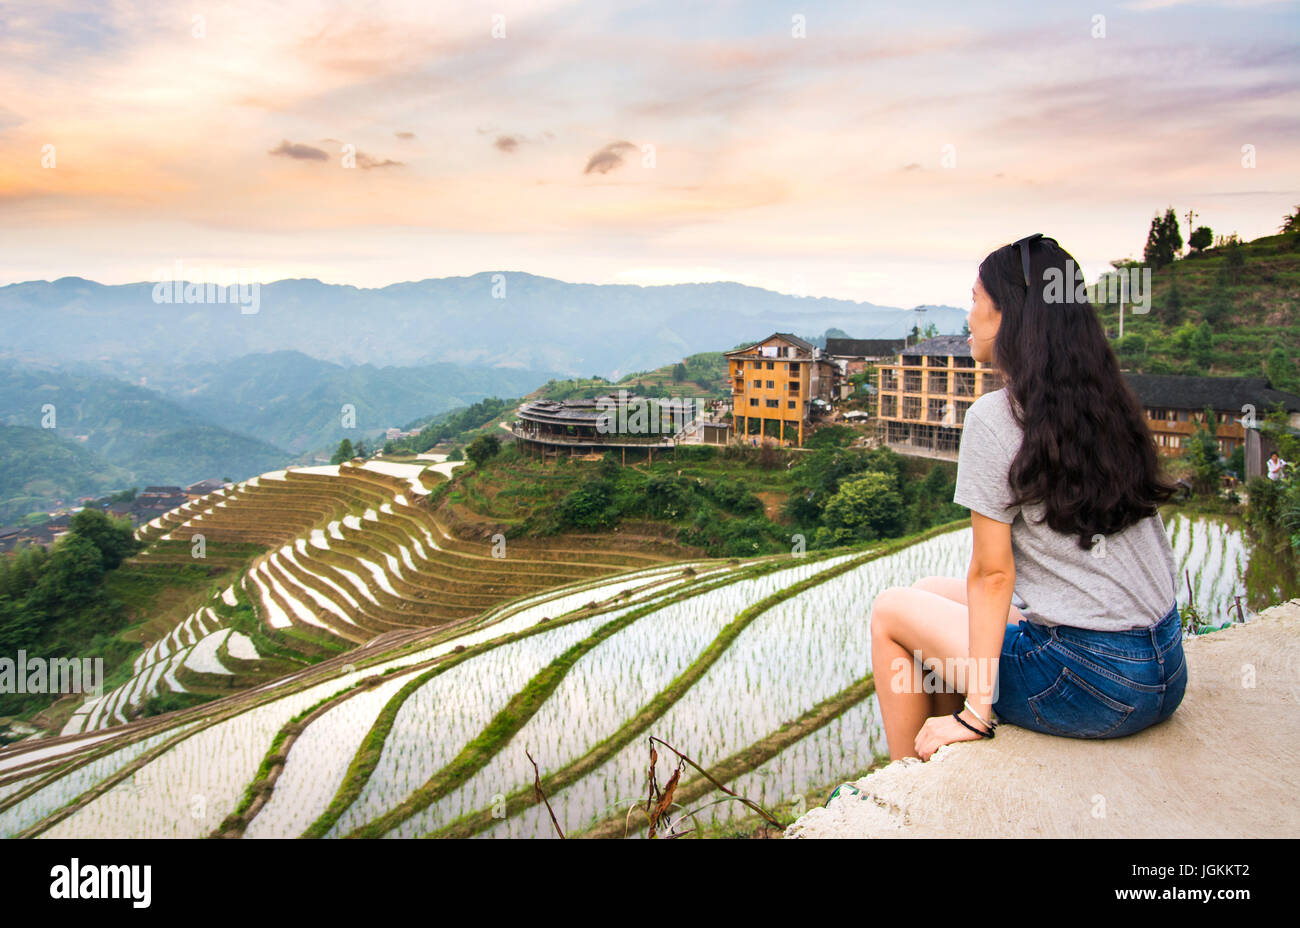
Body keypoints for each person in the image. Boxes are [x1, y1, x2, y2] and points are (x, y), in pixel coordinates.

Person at [869, 234, 1186, 761]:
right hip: (1163, 669)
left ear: (1008, 315)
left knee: (890, 611)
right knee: (928, 589)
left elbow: (993, 575)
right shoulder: (1107, 402)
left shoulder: (995, 418)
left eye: (975, 299)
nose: (969, 315)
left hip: (1095, 683)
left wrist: (978, 711)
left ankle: (906, 788)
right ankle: (946, 758)